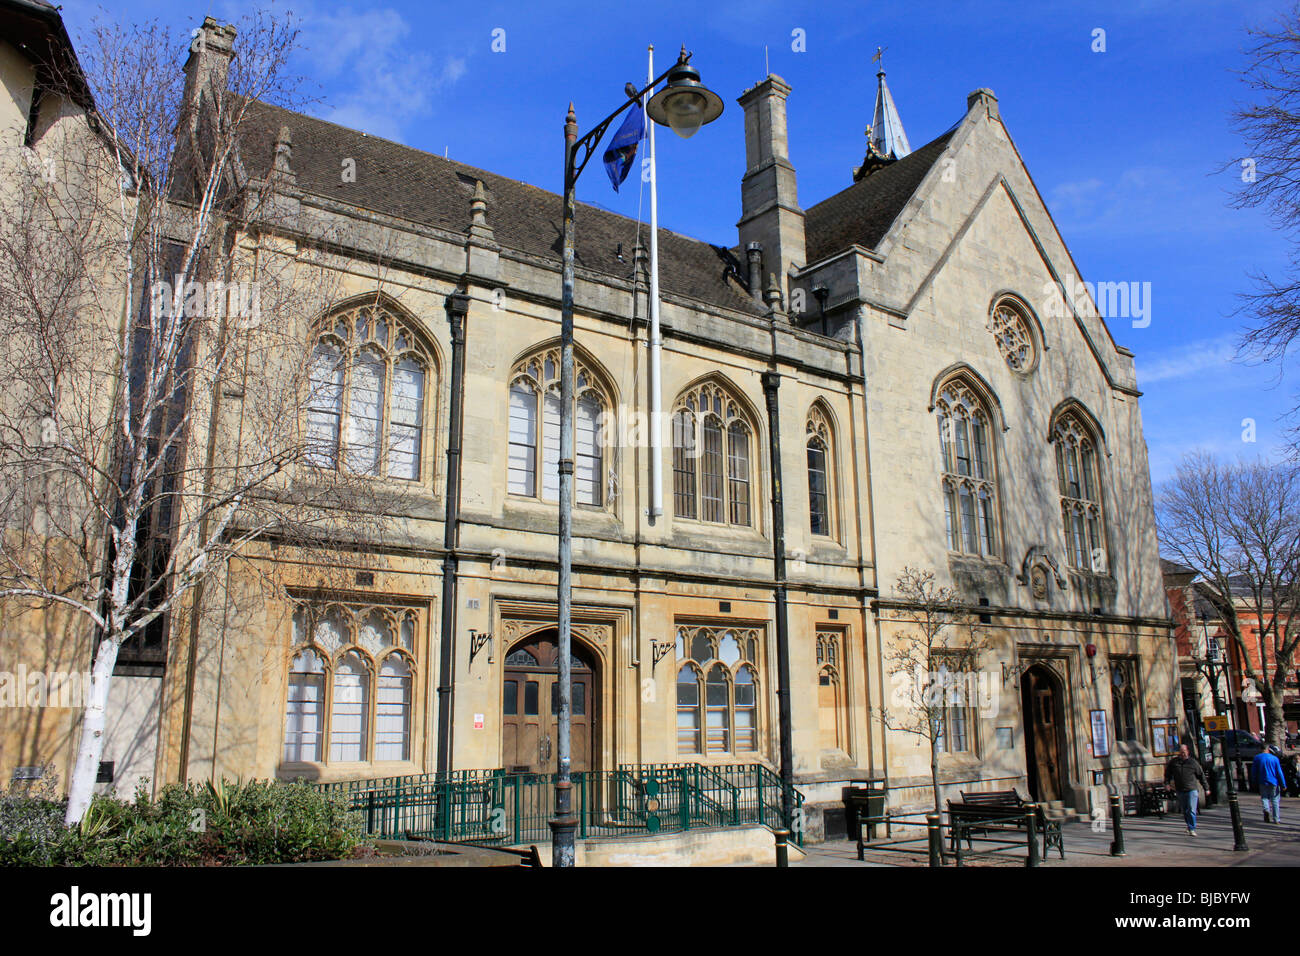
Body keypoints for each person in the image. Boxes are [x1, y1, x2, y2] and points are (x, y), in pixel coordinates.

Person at [1165, 743, 1208, 836]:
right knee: (1185, 810)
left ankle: (1192, 828)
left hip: (1191, 789)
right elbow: (1167, 774)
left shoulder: (1193, 763)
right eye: (1180, 752)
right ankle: (1189, 826)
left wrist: (1206, 788)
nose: (1182, 754)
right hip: (1180, 789)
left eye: (1184, 752)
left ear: (1187, 752)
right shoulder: (1174, 762)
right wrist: (1167, 784)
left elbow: (1201, 776)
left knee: (1191, 809)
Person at [1251, 745, 1287, 823]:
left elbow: (1254, 771)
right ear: (1268, 749)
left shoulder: (1257, 758)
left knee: (1264, 798)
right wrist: (1283, 784)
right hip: (1274, 781)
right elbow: (1279, 772)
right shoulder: (1274, 758)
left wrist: (1254, 781)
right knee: (1275, 800)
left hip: (1262, 781)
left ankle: (1266, 810)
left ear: (1261, 749)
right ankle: (1276, 818)